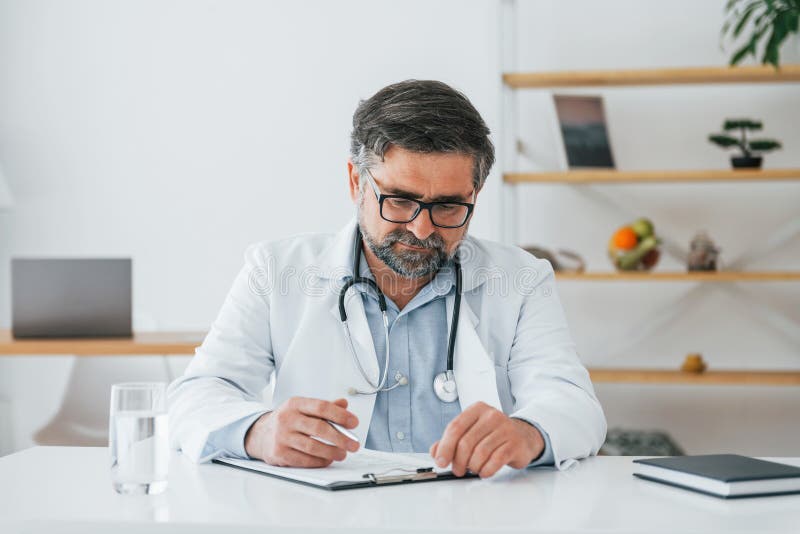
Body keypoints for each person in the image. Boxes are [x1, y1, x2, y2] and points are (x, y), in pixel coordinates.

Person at [167, 80, 606, 478]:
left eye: (449, 206)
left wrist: (526, 433)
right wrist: (258, 433)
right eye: (399, 201)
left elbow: (575, 405)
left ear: (475, 195)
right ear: (356, 181)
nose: (422, 229)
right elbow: (197, 394)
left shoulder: (523, 279)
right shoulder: (275, 270)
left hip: (471, 514)